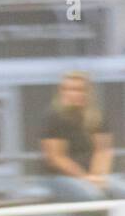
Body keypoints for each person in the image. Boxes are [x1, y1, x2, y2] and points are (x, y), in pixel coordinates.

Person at [40, 71, 121, 201]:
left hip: (92, 175)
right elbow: (56, 158)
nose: (75, 94)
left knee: (120, 190)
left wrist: (98, 176)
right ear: (62, 91)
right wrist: (85, 177)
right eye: (71, 90)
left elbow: (103, 150)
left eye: (80, 90)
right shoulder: (54, 117)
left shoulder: (97, 116)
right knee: (92, 196)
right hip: (60, 176)